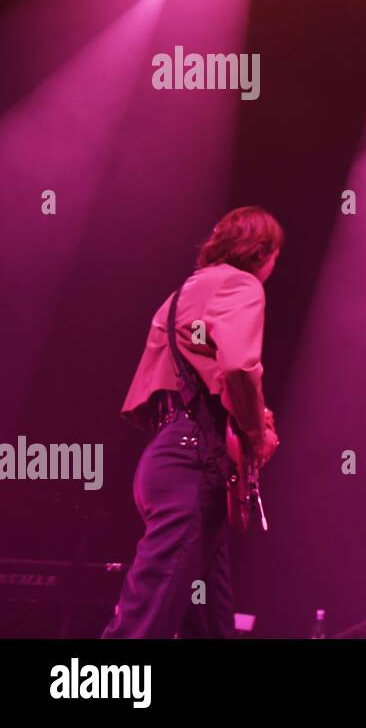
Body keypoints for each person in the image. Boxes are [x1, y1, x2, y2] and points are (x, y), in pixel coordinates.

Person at [103, 206, 282, 638]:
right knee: (145, 619)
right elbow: (239, 366)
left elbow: (169, 384)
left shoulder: (182, 294)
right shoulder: (242, 285)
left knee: (209, 619)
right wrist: (255, 434)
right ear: (263, 253)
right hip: (192, 461)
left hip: (168, 455)